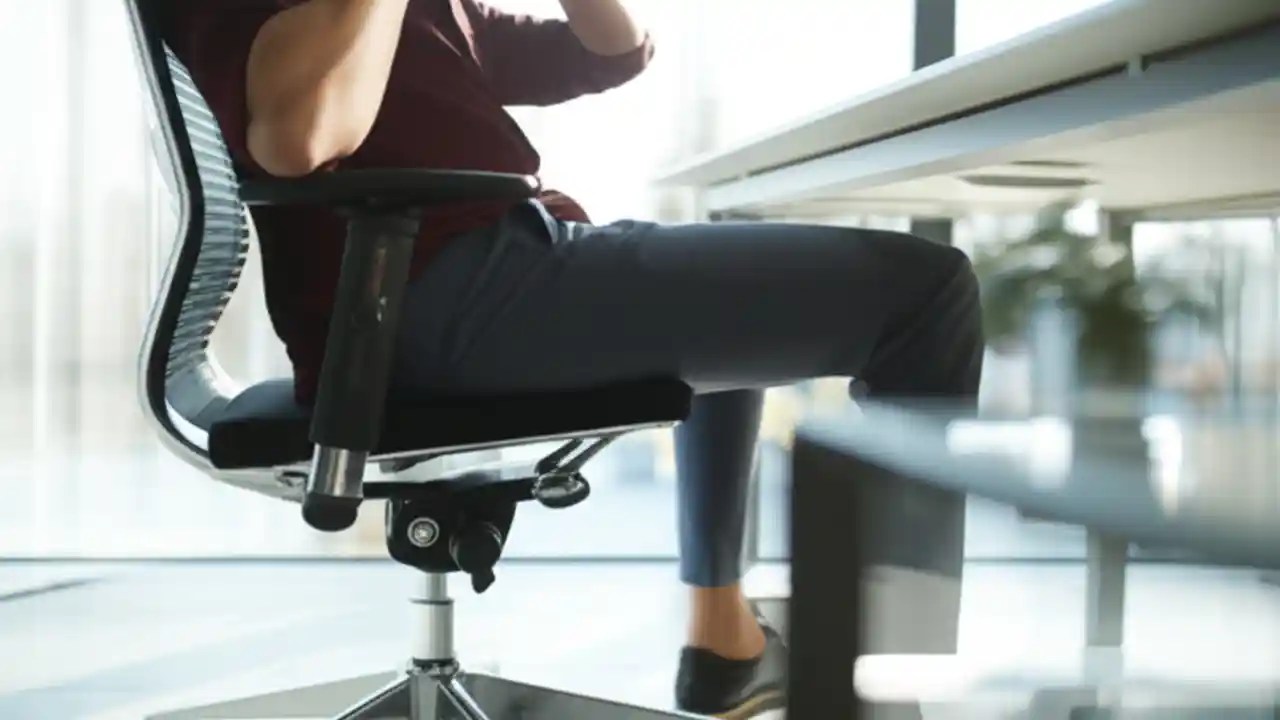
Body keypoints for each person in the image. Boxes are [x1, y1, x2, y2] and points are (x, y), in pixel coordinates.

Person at [164, 1, 984, 716]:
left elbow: (616, 52)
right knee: (928, 295)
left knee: (728, 300)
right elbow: (297, 132)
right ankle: (888, 695)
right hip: (438, 293)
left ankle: (722, 641)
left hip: (485, 271)